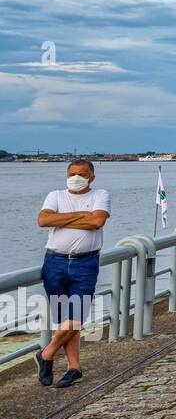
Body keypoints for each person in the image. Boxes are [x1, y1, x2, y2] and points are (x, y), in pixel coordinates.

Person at [34, 159, 110, 389]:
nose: (76, 177)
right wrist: (81, 216)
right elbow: (44, 220)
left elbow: (97, 221)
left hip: (85, 263)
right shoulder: (55, 195)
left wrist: (64, 219)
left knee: (76, 317)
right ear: (67, 175)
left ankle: (46, 354)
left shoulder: (100, 195)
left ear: (92, 177)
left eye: (82, 174)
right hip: (54, 262)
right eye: (73, 173)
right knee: (65, 320)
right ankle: (74, 368)